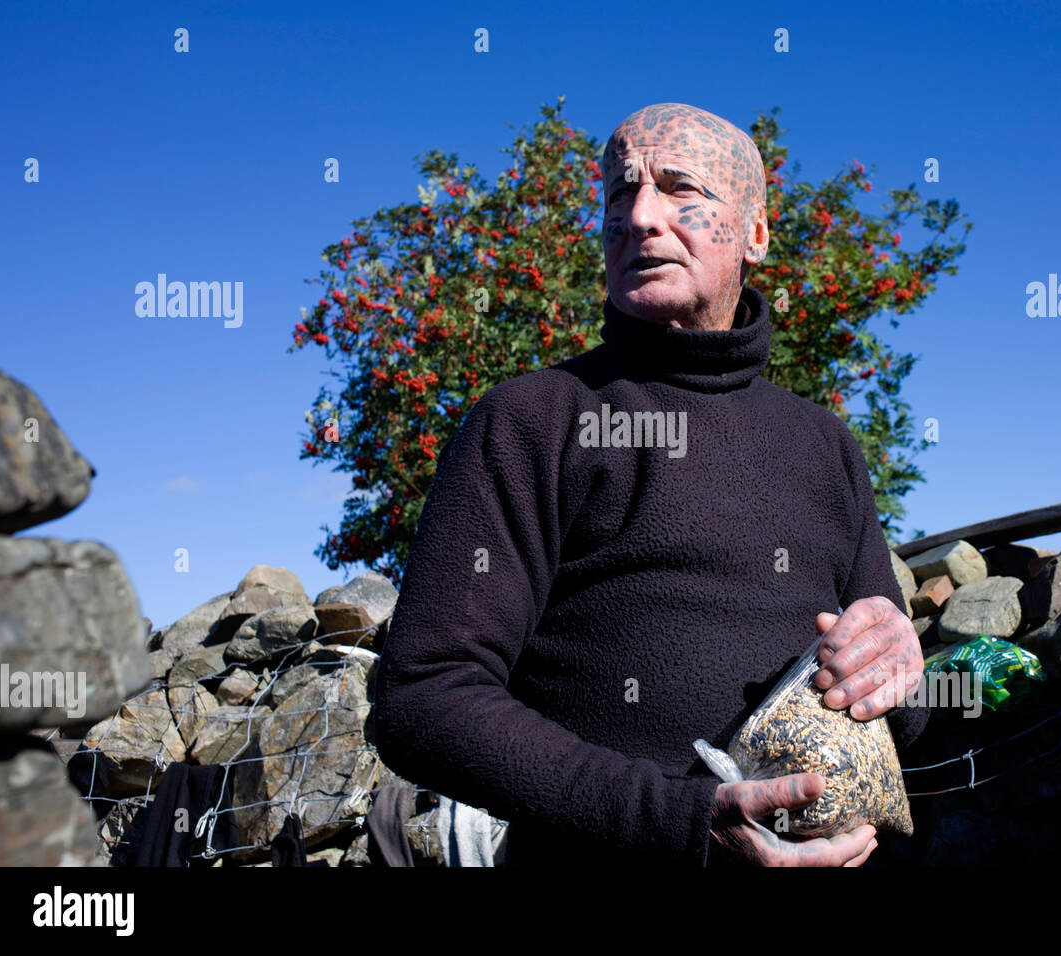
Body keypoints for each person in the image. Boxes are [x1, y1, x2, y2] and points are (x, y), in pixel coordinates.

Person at [375, 103, 927, 867]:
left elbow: (900, 713)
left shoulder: (824, 443)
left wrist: (900, 663)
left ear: (757, 234)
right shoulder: (532, 420)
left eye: (679, 188)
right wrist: (678, 822)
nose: (638, 216)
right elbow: (423, 700)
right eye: (617, 195)